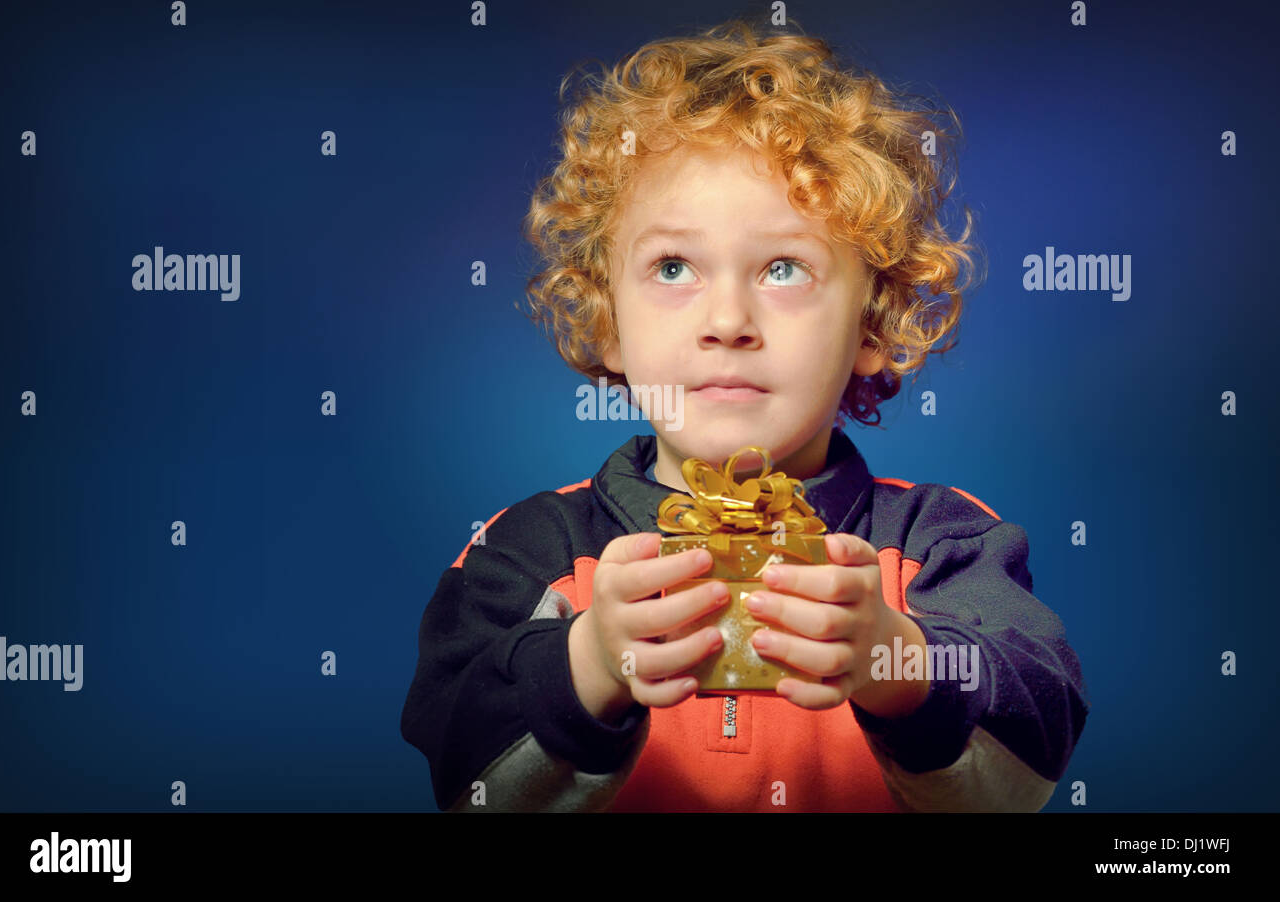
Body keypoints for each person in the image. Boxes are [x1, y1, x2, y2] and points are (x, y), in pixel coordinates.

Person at [399, 17, 1089, 812]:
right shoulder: (526, 552)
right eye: (672, 266)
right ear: (604, 320)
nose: (726, 318)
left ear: (873, 324)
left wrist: (895, 661)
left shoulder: (942, 546)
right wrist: (587, 665)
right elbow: (462, 770)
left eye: (785, 267)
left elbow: (1030, 761)